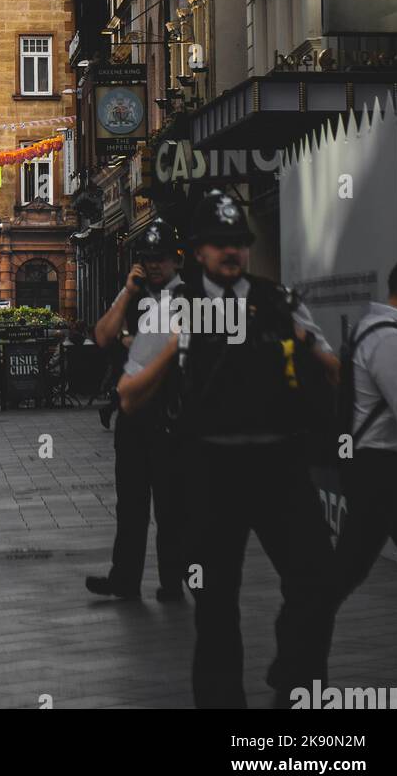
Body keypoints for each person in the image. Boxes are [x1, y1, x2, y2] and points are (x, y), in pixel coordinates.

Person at [127, 190, 340, 709]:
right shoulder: (177, 309)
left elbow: (335, 374)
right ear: (197, 252)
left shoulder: (278, 300)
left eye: (239, 242)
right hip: (210, 472)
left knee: (315, 583)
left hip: (281, 467)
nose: (232, 252)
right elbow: (129, 398)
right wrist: (177, 345)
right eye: (219, 243)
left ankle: (295, 677)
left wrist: (308, 345)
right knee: (216, 606)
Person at [86, 217, 187, 602]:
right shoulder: (135, 294)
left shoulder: (187, 298)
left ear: (176, 261)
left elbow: (177, 350)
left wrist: (134, 343)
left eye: (160, 258)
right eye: (148, 258)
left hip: (170, 417)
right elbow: (102, 336)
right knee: (130, 506)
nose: (154, 265)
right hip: (133, 419)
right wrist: (127, 294)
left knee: (169, 506)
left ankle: (172, 581)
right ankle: (125, 578)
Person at [333, 256, 397, 603]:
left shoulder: (373, 325)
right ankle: (305, 617)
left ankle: (307, 612)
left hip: (387, 464)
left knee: (350, 563)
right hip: (380, 467)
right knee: (350, 565)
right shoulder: (389, 338)